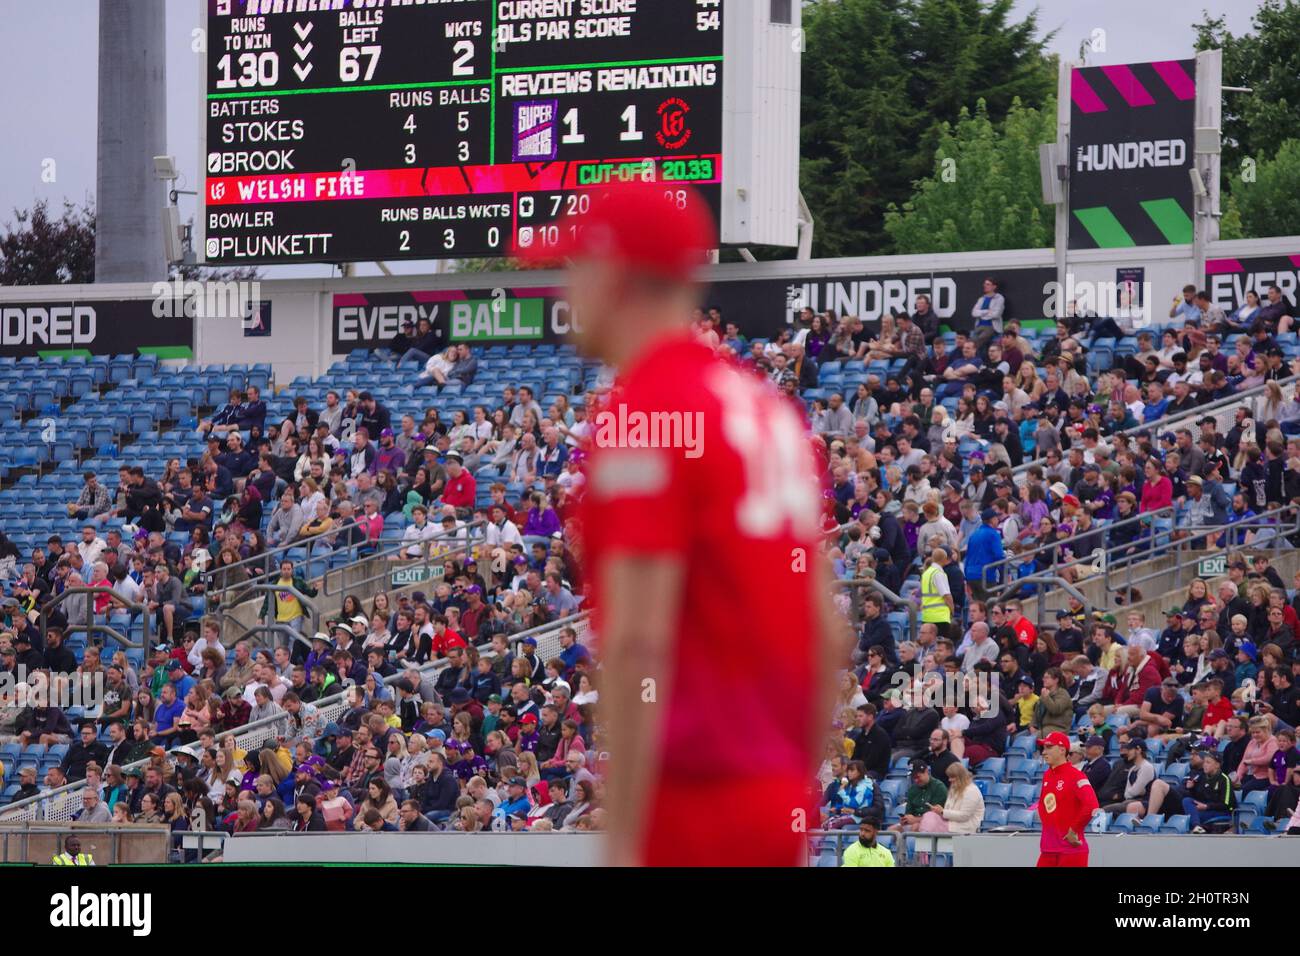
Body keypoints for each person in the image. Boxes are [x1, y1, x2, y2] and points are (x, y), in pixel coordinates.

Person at [524, 183, 846, 867]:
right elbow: (827, 632)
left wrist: (626, 844)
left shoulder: (646, 413)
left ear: (613, 275)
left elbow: (642, 646)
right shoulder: (764, 408)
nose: (563, 289)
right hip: (772, 800)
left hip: (692, 802)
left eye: (574, 266)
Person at [1035, 731, 1099, 867]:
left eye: (1049, 747)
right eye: (1043, 748)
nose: (1044, 752)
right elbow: (1044, 805)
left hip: (1071, 851)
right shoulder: (1047, 775)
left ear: (1062, 750)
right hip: (1048, 849)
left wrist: (1074, 830)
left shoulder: (1077, 776)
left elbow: (1091, 805)